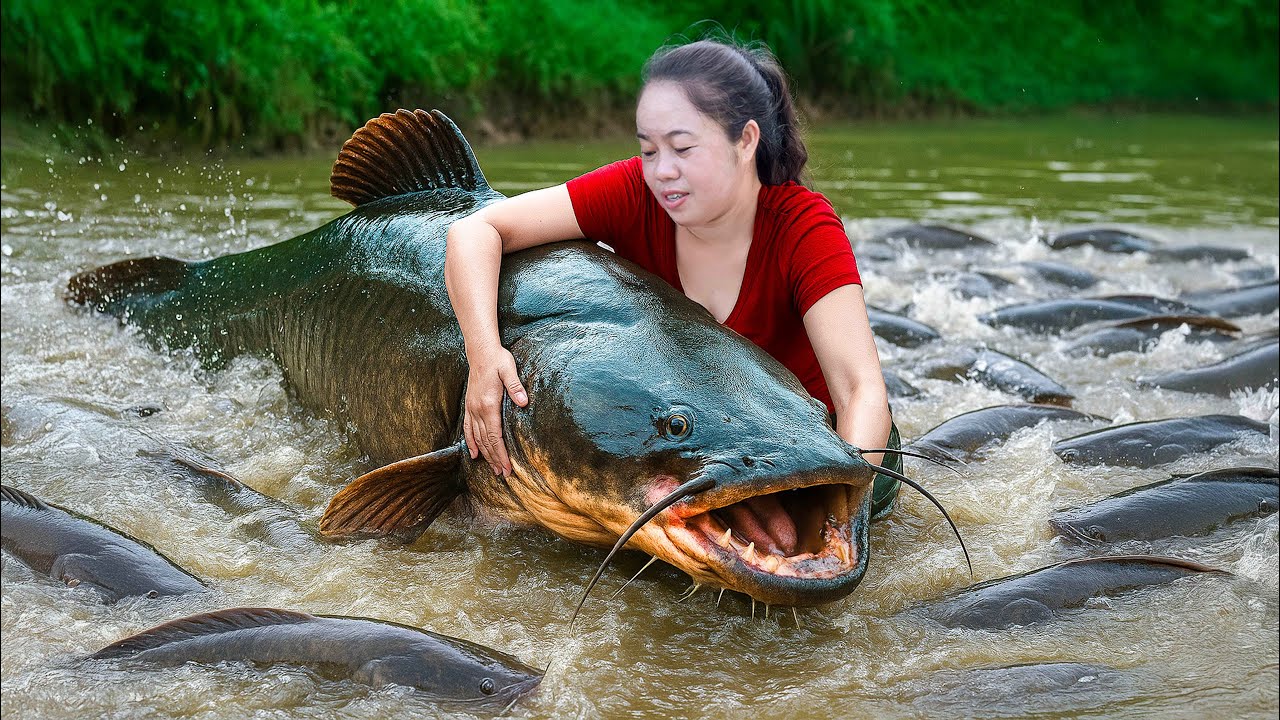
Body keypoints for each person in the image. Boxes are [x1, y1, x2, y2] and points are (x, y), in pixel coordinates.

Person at [444, 37, 901, 518]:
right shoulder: (637, 192)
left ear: (745, 142)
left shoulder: (803, 226)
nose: (662, 171)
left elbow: (860, 390)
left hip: (815, 450)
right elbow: (474, 232)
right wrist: (484, 356)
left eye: (682, 148)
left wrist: (843, 503)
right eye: (649, 150)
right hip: (700, 451)